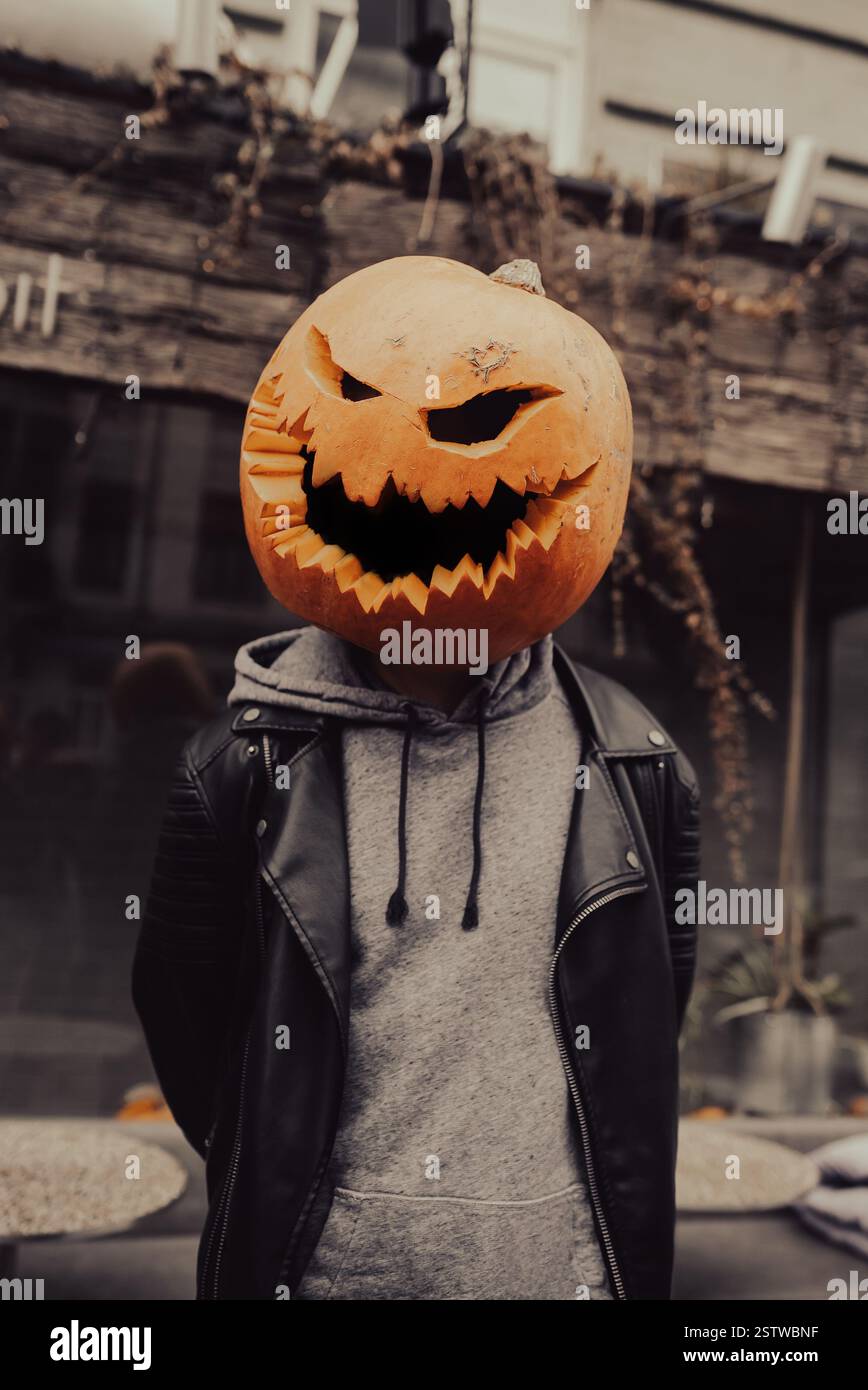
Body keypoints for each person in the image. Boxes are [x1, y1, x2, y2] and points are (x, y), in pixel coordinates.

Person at [133, 256, 700, 1301]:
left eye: (483, 415)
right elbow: (189, 1017)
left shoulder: (635, 768)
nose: (400, 450)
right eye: (348, 389)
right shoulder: (240, 768)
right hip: (324, 1276)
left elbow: (638, 1017)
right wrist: (280, 1175)